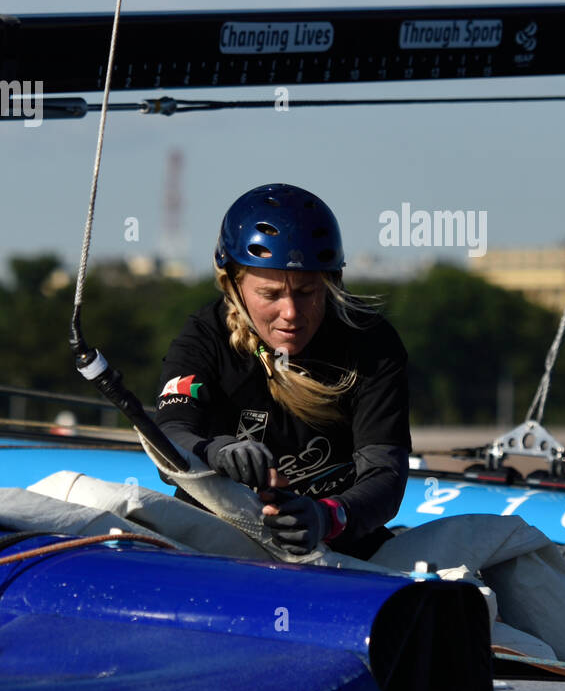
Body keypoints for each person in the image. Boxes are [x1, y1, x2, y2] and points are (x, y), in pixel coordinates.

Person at [154, 183, 411, 560]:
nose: (290, 313)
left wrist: (328, 517)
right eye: (271, 294)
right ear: (233, 285)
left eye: (307, 292)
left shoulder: (371, 343)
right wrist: (216, 451)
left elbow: (385, 474)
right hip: (217, 537)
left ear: (332, 283)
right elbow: (169, 435)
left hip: (332, 542)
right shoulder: (204, 336)